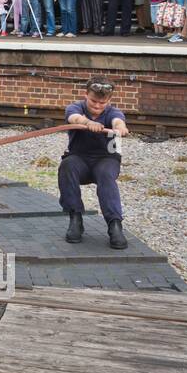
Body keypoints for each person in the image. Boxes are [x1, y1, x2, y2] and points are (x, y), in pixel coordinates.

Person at [58, 78, 131, 249]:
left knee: (106, 175)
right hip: (79, 158)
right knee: (66, 166)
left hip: (106, 159)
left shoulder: (114, 112)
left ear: (109, 101)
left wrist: (120, 128)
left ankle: (115, 225)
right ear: (86, 96)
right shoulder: (75, 107)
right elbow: (74, 118)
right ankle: (75, 218)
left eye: (102, 102)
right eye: (93, 101)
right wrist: (88, 123)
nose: (97, 106)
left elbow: (118, 121)